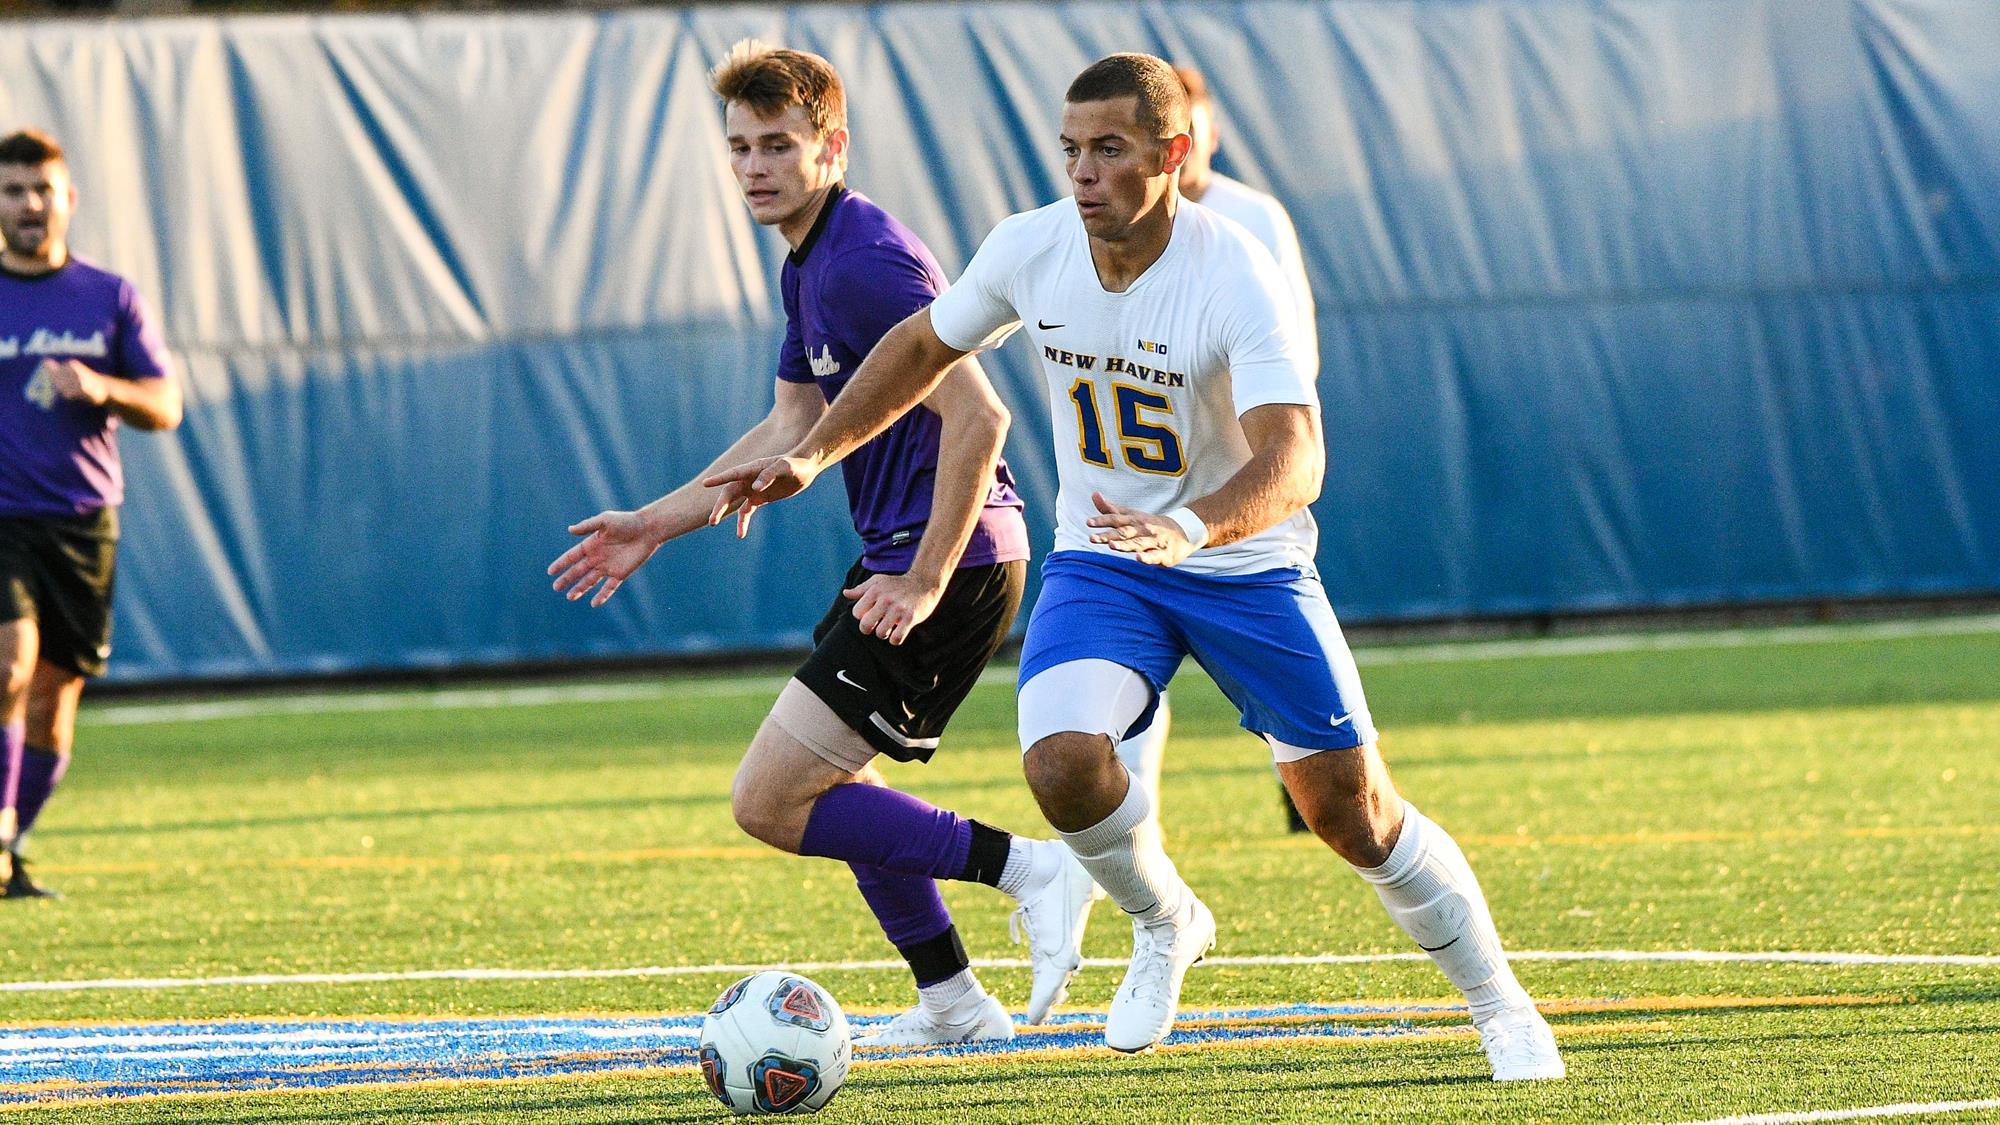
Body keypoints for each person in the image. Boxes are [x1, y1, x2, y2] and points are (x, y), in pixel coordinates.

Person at [706, 53, 1565, 1079]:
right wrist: (806, 454)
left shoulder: (1232, 267)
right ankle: (1164, 921)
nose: (1081, 172)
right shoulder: (1031, 247)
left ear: (1171, 154)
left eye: (1107, 150)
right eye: (1069, 149)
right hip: (1105, 563)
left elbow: (1296, 457)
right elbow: (918, 348)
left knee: (1352, 815)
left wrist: (1194, 527)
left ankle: (1497, 1002)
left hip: (1243, 566)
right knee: (1060, 762)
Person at [547, 41, 1090, 1047]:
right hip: (907, 553)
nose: (753, 167)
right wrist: (654, 525)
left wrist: (923, 579)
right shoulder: (812, 261)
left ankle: (1034, 871)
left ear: (830, 147)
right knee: (828, 783)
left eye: (777, 145)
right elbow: (786, 427)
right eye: (739, 148)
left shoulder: (864, 263)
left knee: (769, 799)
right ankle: (955, 1005)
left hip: (951, 560)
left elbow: (981, 421)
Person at [1, 128, 183, 900]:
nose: (29, 205)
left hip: (82, 521)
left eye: (41, 189)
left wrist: (104, 388)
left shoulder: (108, 297)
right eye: (13, 191)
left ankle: (10, 847)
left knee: (53, 702)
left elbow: (166, 404)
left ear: (69, 199)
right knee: (10, 662)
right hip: (3, 518)